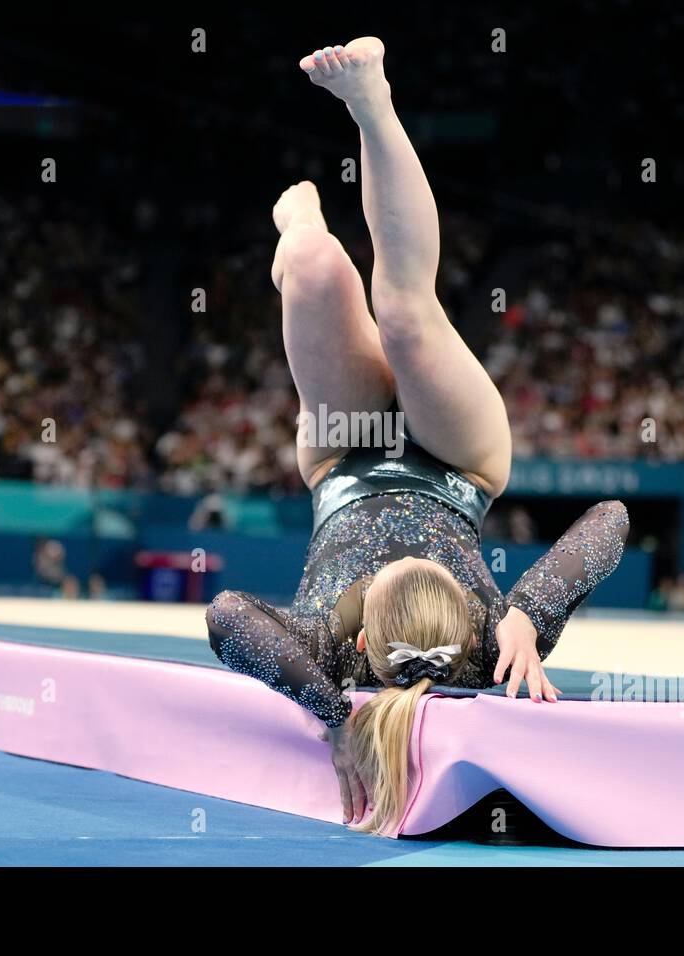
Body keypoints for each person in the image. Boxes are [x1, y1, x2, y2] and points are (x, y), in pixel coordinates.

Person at [205, 38, 629, 836]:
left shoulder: (328, 654)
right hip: (458, 463)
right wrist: (530, 614)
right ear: (470, 617)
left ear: (359, 637)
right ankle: (372, 101)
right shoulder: (489, 647)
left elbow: (227, 615)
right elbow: (612, 517)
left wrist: (333, 714)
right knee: (402, 311)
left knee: (311, 262)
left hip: (344, 455)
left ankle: (295, 219)